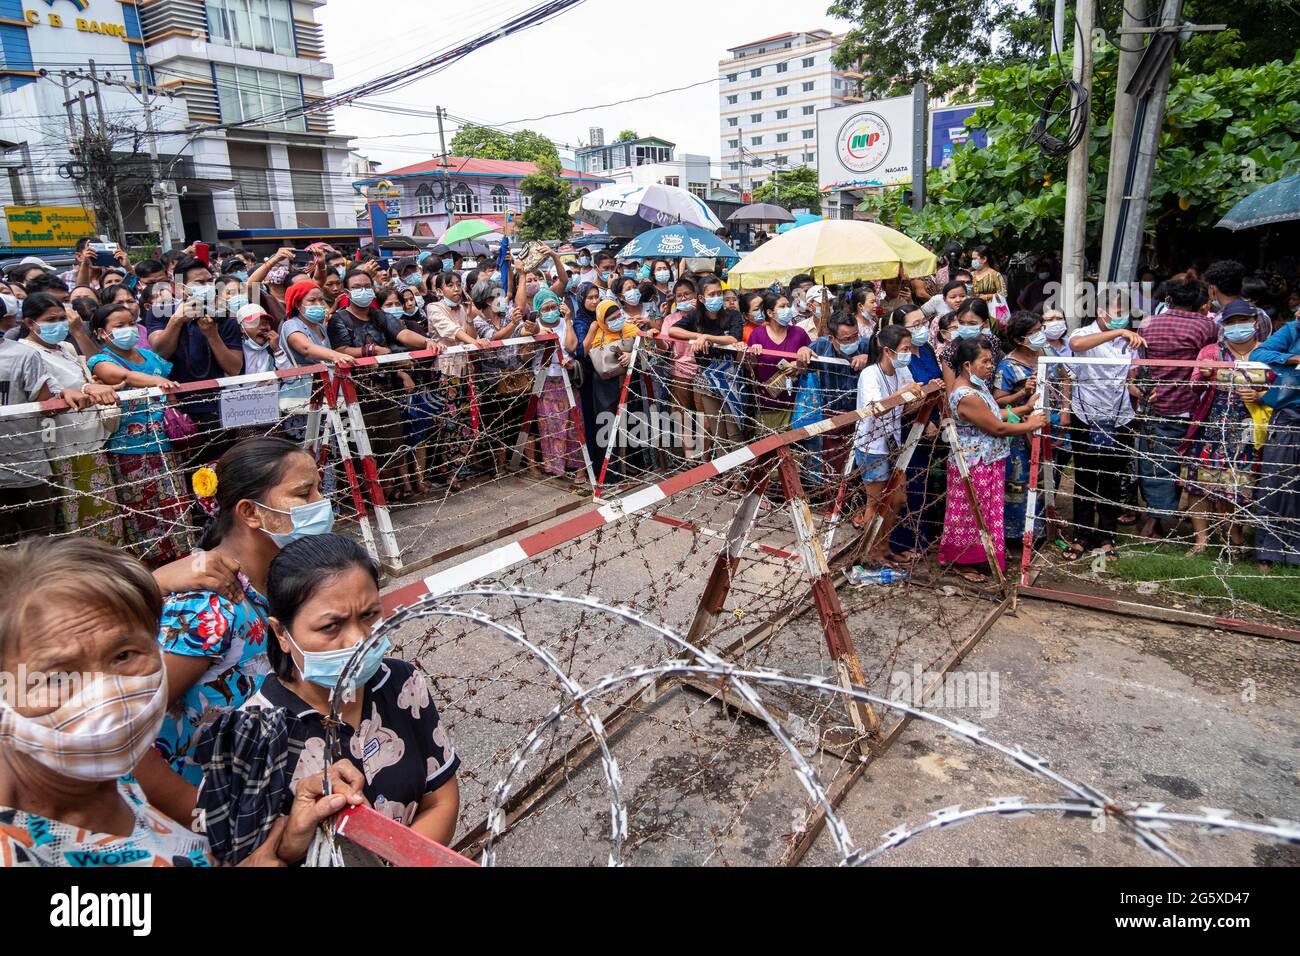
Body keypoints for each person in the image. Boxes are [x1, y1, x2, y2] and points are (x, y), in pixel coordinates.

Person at [0, 537, 363, 867]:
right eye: (56, 677)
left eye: (124, 655)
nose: (106, 695)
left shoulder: (103, 772)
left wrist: (288, 836)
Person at [136, 437, 330, 824]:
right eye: (304, 493)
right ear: (250, 513)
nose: (321, 503)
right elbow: (122, 736)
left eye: (319, 488)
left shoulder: (270, 586)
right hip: (204, 818)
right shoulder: (208, 607)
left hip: (256, 801)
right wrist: (202, 819)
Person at [244, 534, 460, 841]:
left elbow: (441, 799)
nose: (359, 640)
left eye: (369, 615)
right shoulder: (253, 736)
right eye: (331, 626)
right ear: (281, 633)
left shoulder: (402, 684)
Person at [86, 303, 194, 565]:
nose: (128, 330)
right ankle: (152, 568)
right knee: (142, 512)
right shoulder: (101, 360)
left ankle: (184, 559)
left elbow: (172, 396)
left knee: (175, 506)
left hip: (165, 444)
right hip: (128, 451)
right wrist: (157, 382)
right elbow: (123, 376)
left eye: (131, 324)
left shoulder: (152, 357)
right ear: (102, 333)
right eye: (119, 326)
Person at [17, 292, 124, 544]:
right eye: (50, 319)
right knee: (72, 510)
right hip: (59, 441)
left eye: (62, 318)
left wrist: (77, 333)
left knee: (102, 508)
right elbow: (49, 394)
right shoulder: (27, 353)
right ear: (30, 324)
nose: (58, 324)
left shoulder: (65, 347)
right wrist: (87, 390)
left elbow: (91, 368)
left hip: (91, 435)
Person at [938, 338, 1044, 581]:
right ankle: (961, 561)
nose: (990, 366)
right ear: (967, 365)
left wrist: (1024, 408)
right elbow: (996, 427)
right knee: (970, 514)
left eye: (991, 360)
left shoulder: (978, 386)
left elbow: (994, 413)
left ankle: (981, 555)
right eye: (984, 361)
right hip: (973, 465)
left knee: (985, 512)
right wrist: (1030, 424)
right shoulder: (965, 395)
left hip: (987, 460)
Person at [329, 272, 428, 501]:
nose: (362, 290)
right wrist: (371, 351)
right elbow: (341, 350)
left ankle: (385, 489)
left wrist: (428, 342)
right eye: (357, 286)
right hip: (357, 395)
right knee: (363, 447)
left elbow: (402, 333)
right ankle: (368, 496)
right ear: (347, 291)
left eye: (366, 286)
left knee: (391, 443)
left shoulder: (378, 316)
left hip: (386, 391)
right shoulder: (339, 320)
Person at [1064, 294, 1148, 559]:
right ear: (1101, 311)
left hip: (1119, 417)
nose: (1122, 317)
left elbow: (1129, 378)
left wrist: (1142, 394)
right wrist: (1118, 332)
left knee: (1111, 479)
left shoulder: (1129, 340)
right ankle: (1081, 535)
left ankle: (1107, 536)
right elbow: (1076, 345)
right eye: (1116, 312)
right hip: (1086, 414)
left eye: (1125, 314)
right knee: (1085, 477)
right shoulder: (1084, 333)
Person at [1135, 277, 1218, 538]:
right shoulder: (1207, 327)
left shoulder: (1147, 324)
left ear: (1169, 299)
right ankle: (1167, 517)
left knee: (1156, 461)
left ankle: (1156, 517)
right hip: (1192, 404)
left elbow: (1142, 361)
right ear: (1201, 303)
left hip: (1154, 401)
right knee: (1191, 462)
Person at [1185, 308, 1272, 555]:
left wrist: (1259, 394)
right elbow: (1193, 387)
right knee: (1198, 482)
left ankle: (1234, 536)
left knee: (1236, 485)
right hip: (1211, 426)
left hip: (1248, 428)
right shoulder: (1211, 351)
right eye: (1231, 322)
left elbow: (1280, 388)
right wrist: (1202, 376)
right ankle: (1201, 540)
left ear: (1254, 322)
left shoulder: (1266, 352)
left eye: (1242, 321)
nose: (1236, 326)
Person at [146, 256, 244, 461]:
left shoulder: (225, 316)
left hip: (214, 408)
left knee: (216, 470)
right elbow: (160, 353)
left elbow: (234, 368)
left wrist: (212, 335)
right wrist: (177, 319)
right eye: (200, 283)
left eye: (210, 281)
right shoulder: (161, 313)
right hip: (174, 409)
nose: (207, 286)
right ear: (180, 288)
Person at [853, 324, 922, 565]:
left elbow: (908, 407)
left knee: (897, 500)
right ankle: (871, 553)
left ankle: (885, 547)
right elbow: (877, 410)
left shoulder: (902, 371)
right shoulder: (870, 374)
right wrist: (905, 393)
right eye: (905, 348)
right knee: (877, 502)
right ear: (887, 350)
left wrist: (919, 396)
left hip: (894, 443)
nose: (909, 352)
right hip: (872, 446)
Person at [667, 275, 745, 458]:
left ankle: (740, 479)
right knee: (717, 429)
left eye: (720, 293)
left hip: (729, 377)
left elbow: (733, 338)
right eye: (712, 294)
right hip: (705, 377)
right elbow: (673, 330)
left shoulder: (732, 315)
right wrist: (696, 335)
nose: (717, 298)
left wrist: (706, 338)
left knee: (733, 428)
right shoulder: (697, 316)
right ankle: (725, 477)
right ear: (701, 298)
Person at [1249, 317, 1300, 570]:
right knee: (1276, 483)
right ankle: (1269, 551)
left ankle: (1295, 554)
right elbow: (1258, 354)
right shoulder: (1293, 330)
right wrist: (1294, 359)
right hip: (1290, 416)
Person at [993, 311, 1047, 546]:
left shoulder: (1046, 353)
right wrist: (1023, 393)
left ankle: (1039, 529)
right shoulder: (1007, 366)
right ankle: (1015, 534)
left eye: (1040, 329)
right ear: (1019, 339)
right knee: (1019, 479)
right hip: (1018, 428)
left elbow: (1066, 378)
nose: (1040, 335)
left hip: (1046, 423)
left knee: (1044, 477)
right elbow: (998, 400)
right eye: (1034, 333)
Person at [530, 290, 584, 483]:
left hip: (566, 379)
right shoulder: (534, 327)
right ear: (538, 310)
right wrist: (535, 334)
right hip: (544, 380)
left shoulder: (564, 323)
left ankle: (579, 468)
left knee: (573, 423)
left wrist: (568, 319)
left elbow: (570, 346)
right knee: (550, 425)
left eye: (554, 307)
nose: (551, 311)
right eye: (546, 308)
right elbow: (524, 348)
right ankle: (555, 467)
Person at [746, 291, 812, 434]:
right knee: (770, 448)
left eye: (788, 305)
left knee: (797, 448)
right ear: (770, 313)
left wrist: (798, 364)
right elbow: (749, 368)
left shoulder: (799, 333)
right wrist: (753, 353)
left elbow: (812, 363)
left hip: (798, 403)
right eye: (782, 306)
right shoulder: (758, 334)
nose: (787, 309)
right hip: (767, 404)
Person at [280, 280, 354, 368]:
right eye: (312, 300)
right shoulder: (291, 325)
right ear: (298, 304)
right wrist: (337, 356)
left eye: (321, 299)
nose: (318, 304)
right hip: (303, 380)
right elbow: (306, 349)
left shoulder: (321, 327)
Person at [938, 298, 1003, 388]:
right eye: (961, 322)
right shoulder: (950, 352)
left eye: (972, 323)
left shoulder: (992, 341)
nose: (965, 327)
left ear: (985, 323)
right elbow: (951, 391)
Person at [237, 302, 292, 375]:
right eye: (255, 323)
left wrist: (277, 350)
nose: (263, 327)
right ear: (242, 328)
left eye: (265, 323)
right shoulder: (236, 351)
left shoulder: (275, 346)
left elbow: (291, 378)